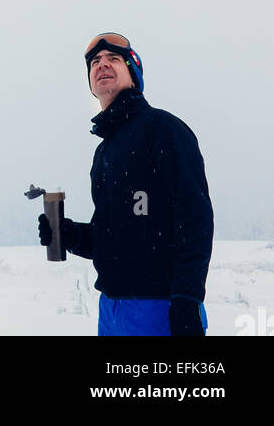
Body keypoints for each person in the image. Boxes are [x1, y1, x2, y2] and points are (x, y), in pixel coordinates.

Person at [37, 31, 214, 337]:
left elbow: (195, 217)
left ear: (133, 75)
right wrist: (71, 235)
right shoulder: (104, 151)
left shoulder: (163, 128)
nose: (102, 64)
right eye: (95, 62)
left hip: (160, 307)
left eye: (113, 59)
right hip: (112, 309)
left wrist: (187, 297)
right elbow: (114, 236)